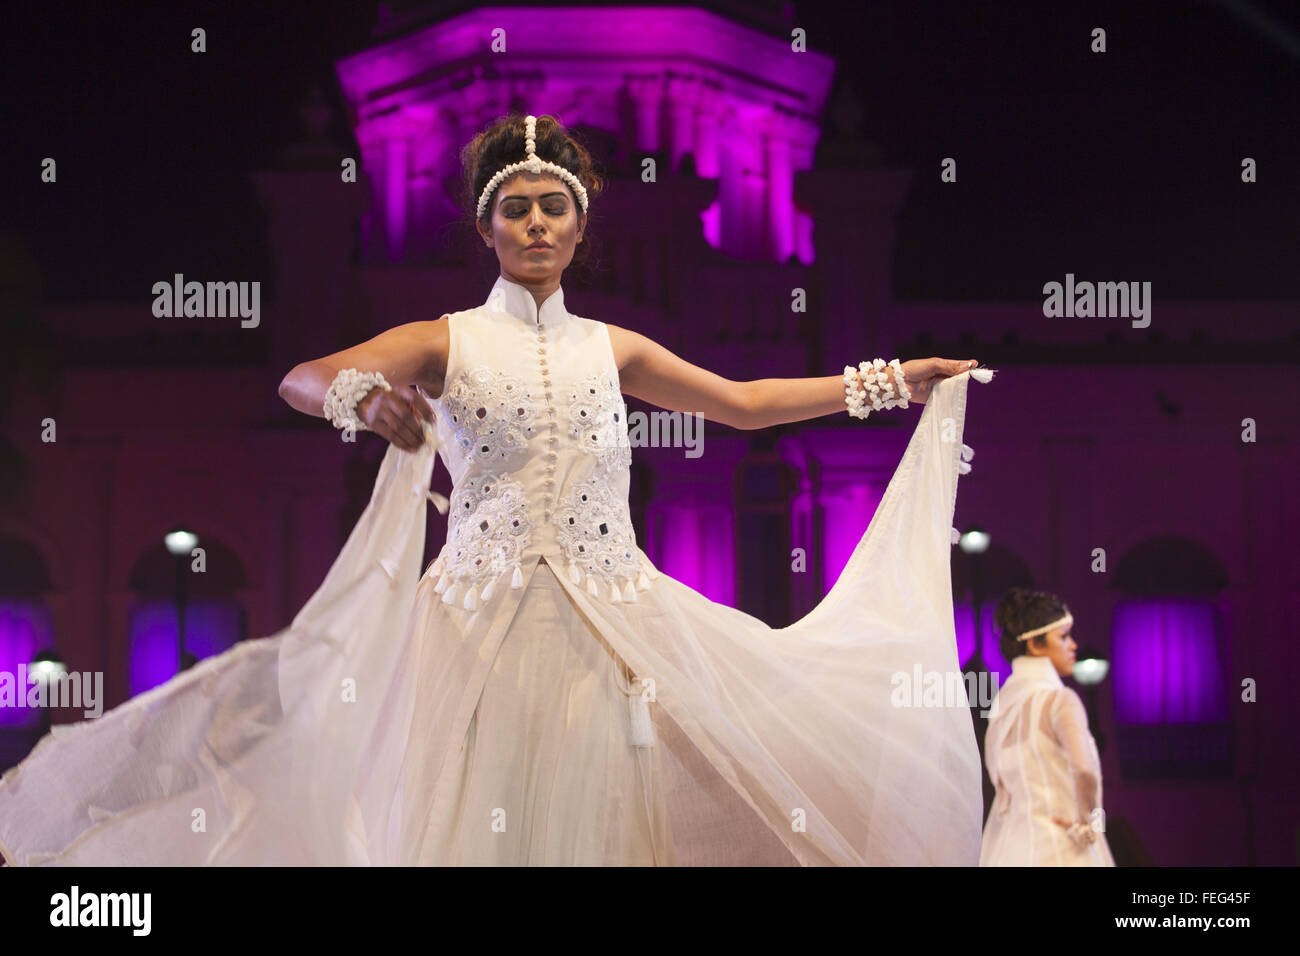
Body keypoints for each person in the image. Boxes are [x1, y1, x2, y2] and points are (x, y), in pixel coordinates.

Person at [0, 113, 993, 866]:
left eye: (551, 204)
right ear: (485, 226)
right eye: (513, 205)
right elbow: (301, 375)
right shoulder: (446, 339)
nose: (533, 220)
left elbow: (744, 400)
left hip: (617, 629)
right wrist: (363, 399)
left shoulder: (616, 347)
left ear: (579, 223)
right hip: (474, 638)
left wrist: (894, 380)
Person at [979, 587, 1116, 866]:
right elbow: (1085, 769)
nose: (1073, 645)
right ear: (1034, 644)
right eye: (1063, 637)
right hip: (1061, 844)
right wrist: (1087, 822)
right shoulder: (1059, 700)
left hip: (1010, 849)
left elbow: (1002, 794)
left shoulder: (1002, 711)